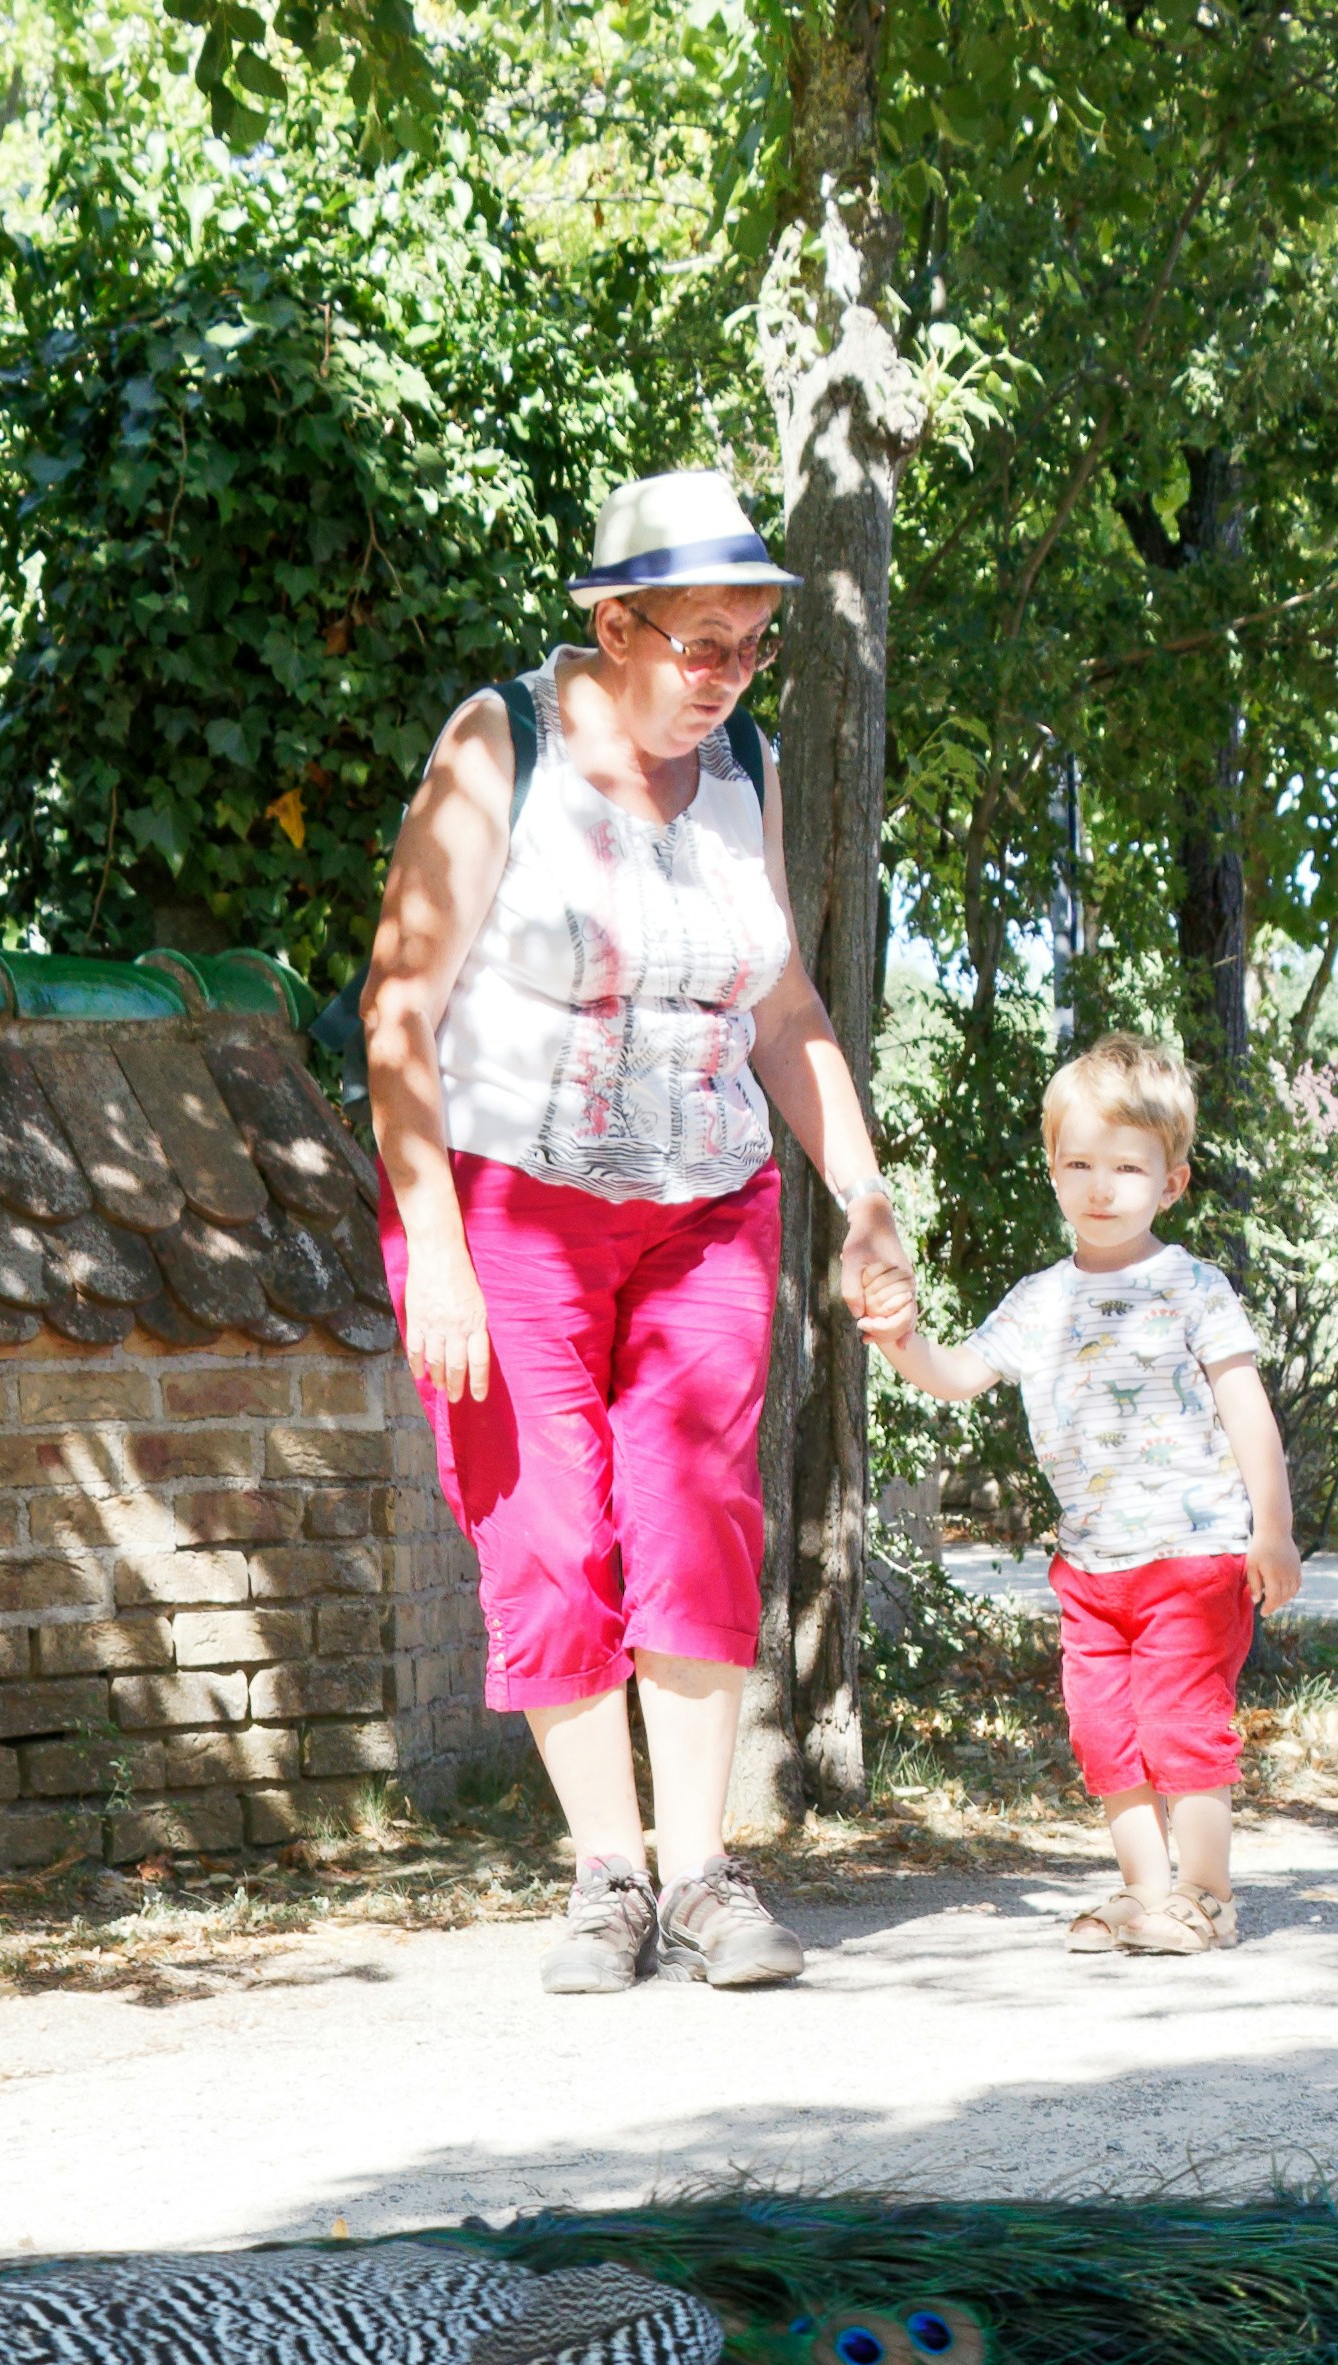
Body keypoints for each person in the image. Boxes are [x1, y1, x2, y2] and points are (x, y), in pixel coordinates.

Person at [360, 466, 926, 1994]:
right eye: (704, 644)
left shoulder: (738, 762)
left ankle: (704, 1876)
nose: (733, 676)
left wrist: (865, 1196)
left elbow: (785, 1002)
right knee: (550, 1533)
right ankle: (606, 1875)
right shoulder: (504, 745)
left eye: (754, 645)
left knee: (696, 1517)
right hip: (505, 1209)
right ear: (614, 626)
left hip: (706, 1211)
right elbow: (399, 1006)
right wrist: (440, 1243)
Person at [863, 1036, 1302, 1957]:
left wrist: (1274, 1530)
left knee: (1182, 1725)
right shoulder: (1038, 1300)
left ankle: (1208, 1895)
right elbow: (954, 1374)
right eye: (1080, 1164)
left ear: (1171, 1183)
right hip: (1091, 1568)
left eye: (1127, 1167)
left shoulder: (1190, 1286)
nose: (1102, 1187)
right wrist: (901, 1341)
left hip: (1194, 1553)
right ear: (1054, 1171)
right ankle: (1148, 1892)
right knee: (1105, 1735)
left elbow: (1247, 1410)